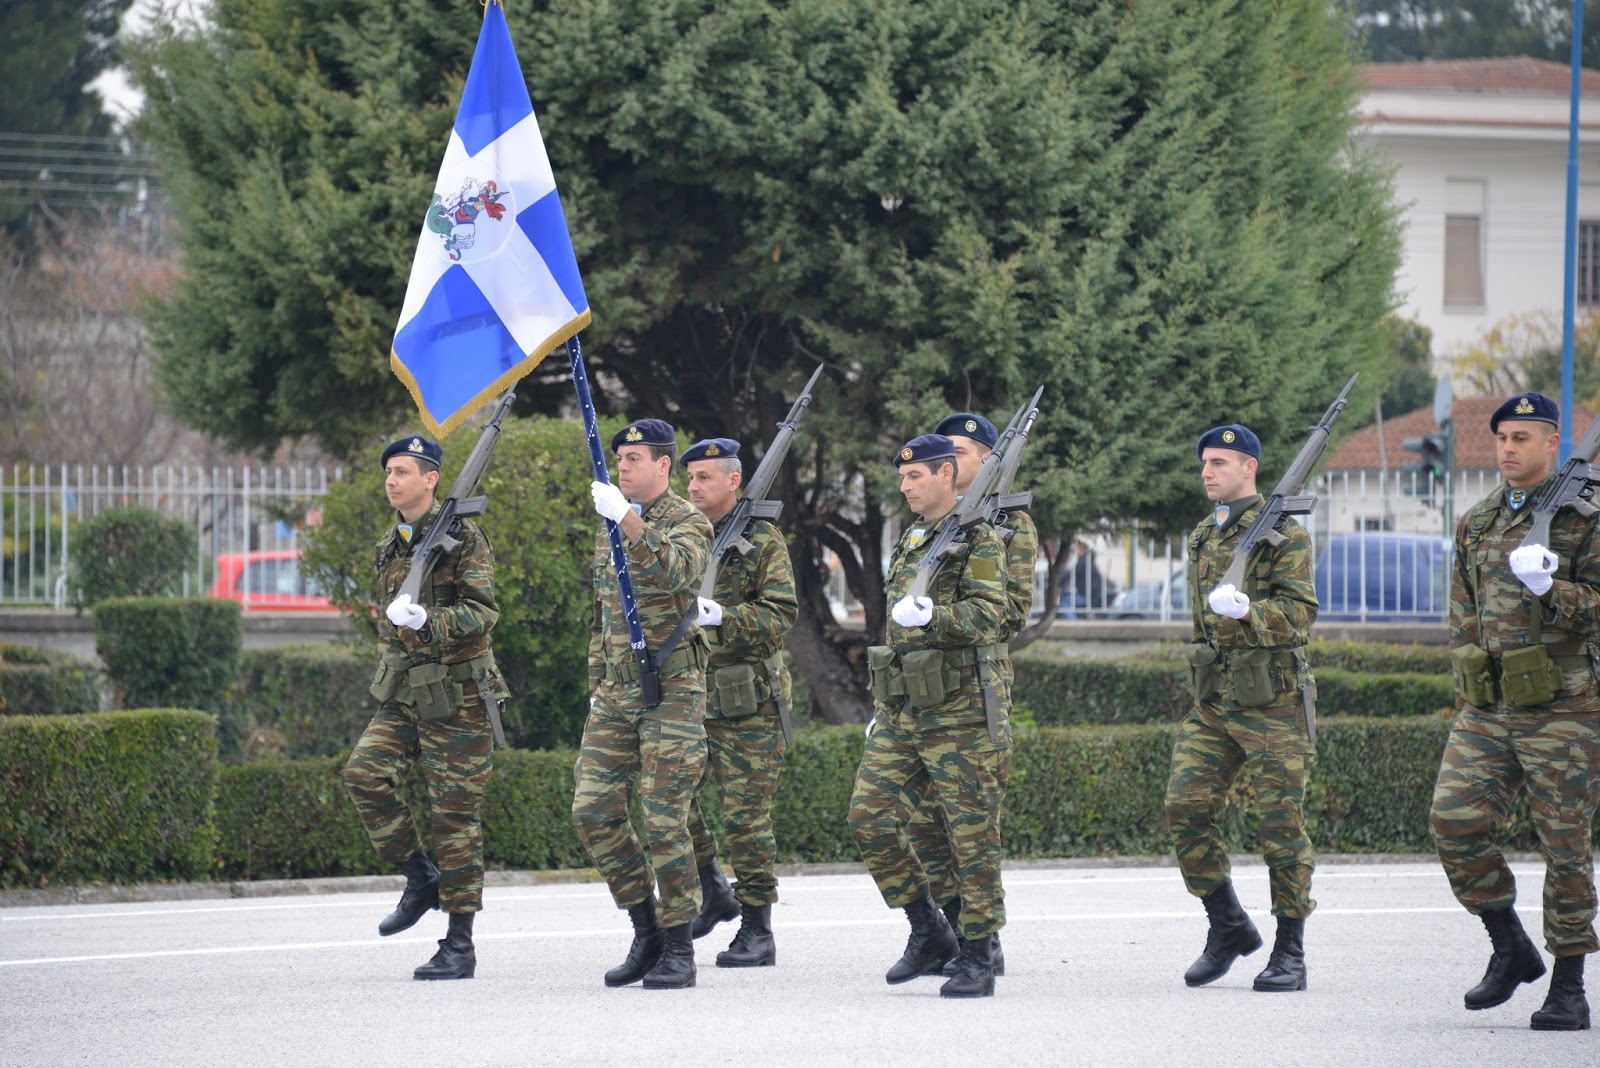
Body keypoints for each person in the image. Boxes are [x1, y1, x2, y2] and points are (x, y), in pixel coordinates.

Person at [1432, 392, 1600, 1031]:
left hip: (1565, 707)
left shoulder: (1587, 519)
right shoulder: (1476, 521)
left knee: (1564, 847)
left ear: (1553, 442)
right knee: (1453, 820)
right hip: (1489, 708)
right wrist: (1466, 696)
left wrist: (1550, 590)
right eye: (1502, 436)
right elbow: (1462, 617)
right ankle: (1510, 946)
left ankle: (1569, 986)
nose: (1508, 447)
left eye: (1522, 437)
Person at [847, 433, 1010, 998]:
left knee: (971, 836)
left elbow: (993, 616)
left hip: (962, 710)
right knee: (868, 816)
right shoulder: (913, 536)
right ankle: (928, 929)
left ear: (946, 475)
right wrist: (884, 705)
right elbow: (897, 634)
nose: (906, 485)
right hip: (905, 709)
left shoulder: (979, 538)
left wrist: (935, 614)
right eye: (902, 477)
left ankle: (978, 953)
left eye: (916, 476)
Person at [342, 434, 508, 980]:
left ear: (431, 478)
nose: (391, 481)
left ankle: (459, 943)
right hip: (409, 693)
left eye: (403, 471)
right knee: (364, 774)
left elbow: (482, 615)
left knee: (454, 818)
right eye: (388, 471)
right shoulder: (390, 544)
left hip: (460, 695)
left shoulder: (463, 538)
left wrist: (426, 621)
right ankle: (420, 875)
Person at [1165, 423, 1318, 993]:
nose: (1207, 471)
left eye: (1220, 463)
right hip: (1215, 702)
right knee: (1185, 806)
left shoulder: (1285, 534)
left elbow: (1301, 618)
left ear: (1249, 467)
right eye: (1204, 462)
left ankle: (1290, 952)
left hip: (1273, 701)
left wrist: (1251, 613)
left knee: (1282, 826)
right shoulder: (1204, 532)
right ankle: (1227, 924)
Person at [572, 418, 714, 990]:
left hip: (674, 688)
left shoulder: (690, 522)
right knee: (593, 809)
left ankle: (680, 945)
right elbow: (606, 615)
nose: (622, 468)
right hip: (616, 689)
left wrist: (627, 521)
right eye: (618, 459)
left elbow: (678, 571)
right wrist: (595, 682)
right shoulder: (612, 524)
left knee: (662, 815)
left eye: (634, 459)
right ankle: (645, 926)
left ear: (664, 465)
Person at [900, 412, 1037, 977]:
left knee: (971, 822)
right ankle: (952, 930)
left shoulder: (1007, 526)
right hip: (921, 690)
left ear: (982, 460)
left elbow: (1010, 612)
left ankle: (983, 943)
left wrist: (936, 619)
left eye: (961, 451)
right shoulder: (925, 526)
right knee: (921, 820)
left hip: (974, 685)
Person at [679, 437, 799, 967]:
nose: (693, 487)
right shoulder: (681, 535)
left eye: (705, 477)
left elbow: (779, 617)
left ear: (734, 480)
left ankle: (757, 927)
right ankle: (712, 888)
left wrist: (723, 617)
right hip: (687, 694)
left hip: (747, 699)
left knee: (745, 818)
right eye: (689, 478)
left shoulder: (762, 539)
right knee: (670, 801)